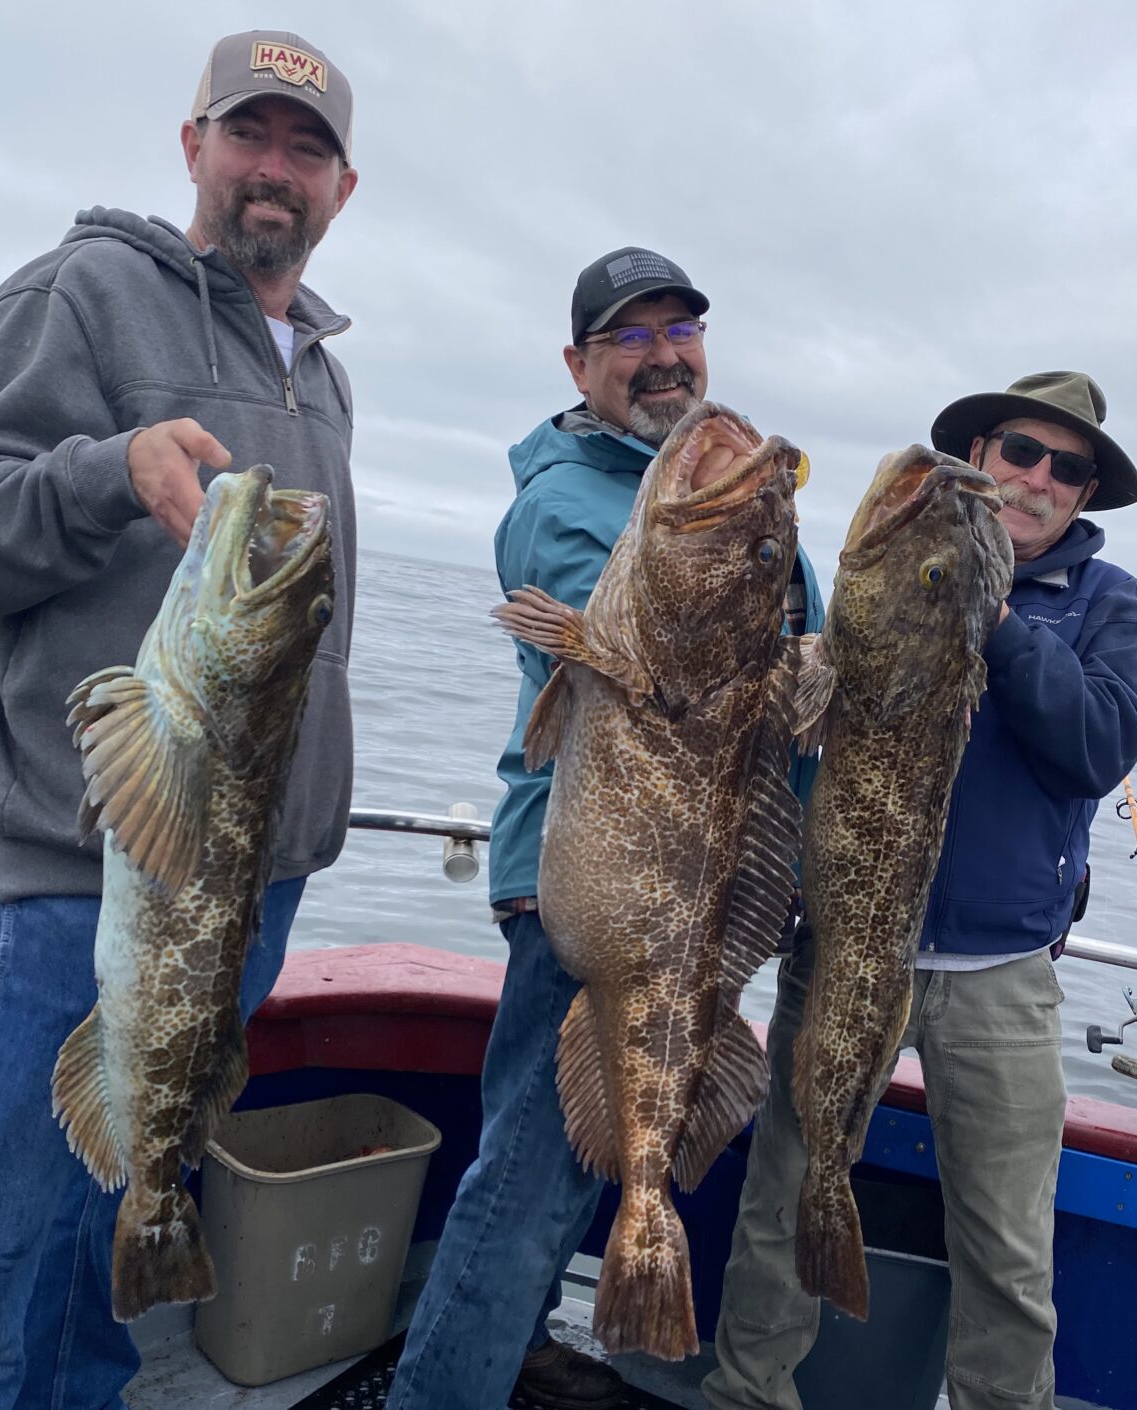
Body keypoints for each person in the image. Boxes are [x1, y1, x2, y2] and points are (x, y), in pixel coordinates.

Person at [0, 29, 358, 1410]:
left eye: (305, 147)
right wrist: (103, 472)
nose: (275, 168)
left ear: (345, 186)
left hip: (255, 884)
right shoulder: (79, 295)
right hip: (81, 881)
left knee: (125, 1202)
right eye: (249, 133)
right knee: (29, 1257)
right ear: (191, 143)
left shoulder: (321, 372)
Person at [388, 246, 824, 1410]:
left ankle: (509, 1348)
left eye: (681, 329)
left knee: (582, 1161)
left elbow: (790, 655)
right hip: (583, 889)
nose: (664, 355)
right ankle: (442, 1391)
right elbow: (656, 658)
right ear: (578, 366)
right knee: (527, 1184)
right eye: (629, 337)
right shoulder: (563, 501)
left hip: (695, 883)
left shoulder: (688, 490)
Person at [704, 371, 1137, 1410]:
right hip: (846, 944)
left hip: (999, 978)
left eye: (1067, 467)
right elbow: (783, 701)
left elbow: (1099, 743)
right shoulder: (896, 565)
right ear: (983, 454)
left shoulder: (1106, 605)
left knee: (1007, 1247)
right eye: (1018, 452)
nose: (1037, 479)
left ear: (1085, 492)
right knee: (783, 1197)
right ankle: (745, 1393)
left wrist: (992, 621)